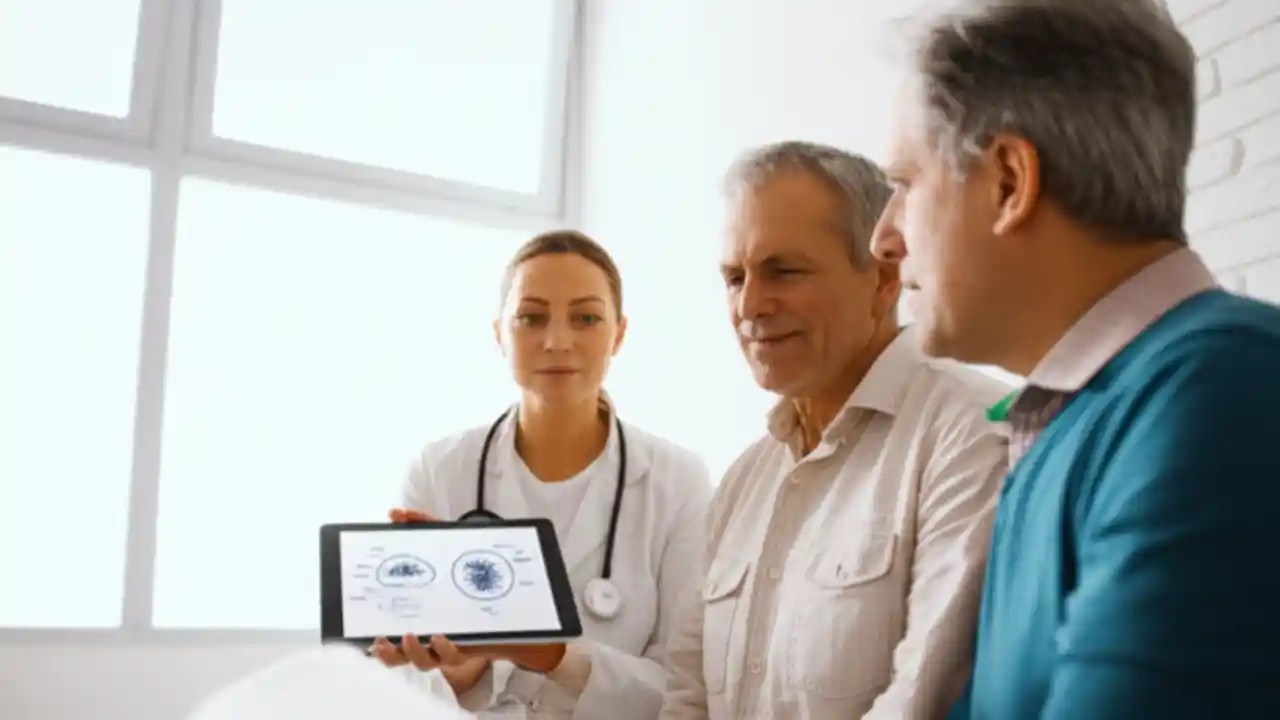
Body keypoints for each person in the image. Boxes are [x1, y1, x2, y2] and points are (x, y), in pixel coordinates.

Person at [870, 1, 1280, 717]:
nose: (883, 238)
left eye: (905, 184)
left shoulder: (1220, 395)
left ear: (1008, 182)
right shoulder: (1068, 422)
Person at [660, 141, 1010, 719]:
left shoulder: (969, 434)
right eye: (733, 276)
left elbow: (927, 697)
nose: (750, 303)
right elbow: (688, 696)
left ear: (883, 278)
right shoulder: (747, 478)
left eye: (784, 271)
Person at [372, 230, 713, 719]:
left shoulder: (678, 482)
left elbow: (685, 692)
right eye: (531, 318)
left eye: (586, 318)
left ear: (619, 332)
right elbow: (404, 685)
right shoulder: (440, 469)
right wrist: (455, 670)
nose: (556, 341)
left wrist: (552, 655)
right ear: (499, 333)